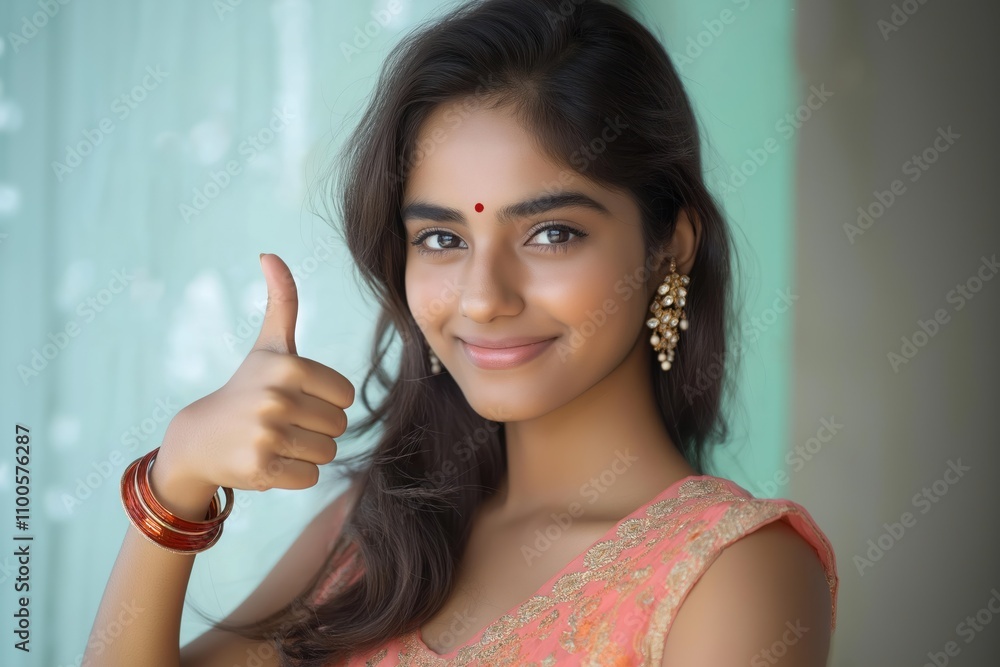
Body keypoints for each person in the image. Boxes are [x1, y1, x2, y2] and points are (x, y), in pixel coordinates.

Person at [83, 0, 838, 665]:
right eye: (442, 239)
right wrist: (178, 480)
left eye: (551, 233)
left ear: (670, 245)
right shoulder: (381, 528)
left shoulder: (732, 572)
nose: (482, 299)